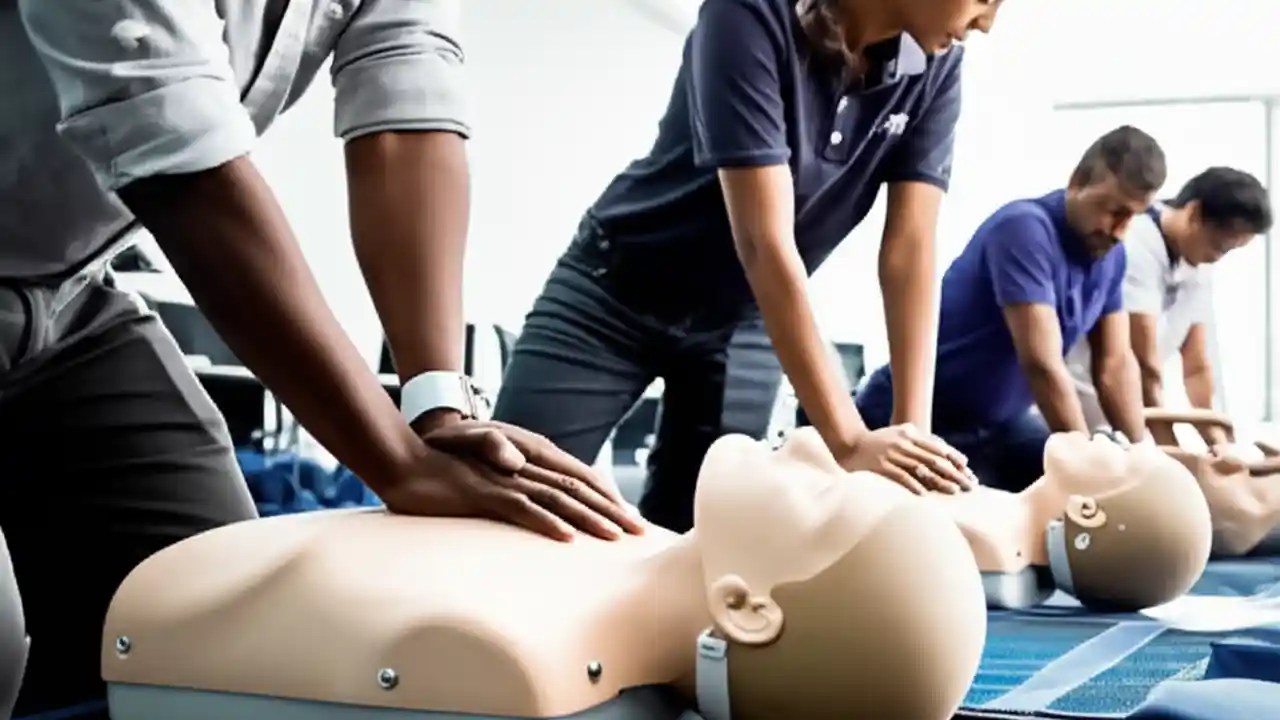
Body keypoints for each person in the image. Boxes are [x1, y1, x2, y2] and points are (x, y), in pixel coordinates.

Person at [1, 2, 639, 716]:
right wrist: (394, 460)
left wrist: (435, 409)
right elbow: (165, 130)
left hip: (65, 297)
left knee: (212, 628)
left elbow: (405, 101)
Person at [493, 0, 1007, 532]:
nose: (988, 22)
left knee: (703, 536)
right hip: (617, 291)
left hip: (745, 317)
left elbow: (910, 250)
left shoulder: (937, 64)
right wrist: (849, 441)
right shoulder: (749, 12)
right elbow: (765, 243)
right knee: (510, 495)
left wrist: (912, 438)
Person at [98, 429, 987, 720]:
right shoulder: (616, 534)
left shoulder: (509, 653)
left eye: (822, 502)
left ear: (746, 610)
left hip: (177, 598)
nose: (805, 445)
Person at [856, 126, 1163, 492]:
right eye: (1115, 211)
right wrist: (1088, 469)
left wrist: (1144, 463)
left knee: (1119, 499)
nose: (1120, 231)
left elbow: (1115, 365)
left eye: (1134, 218)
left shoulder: (1112, 257)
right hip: (925, 419)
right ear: (1078, 181)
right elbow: (1043, 365)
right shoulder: (1024, 229)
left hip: (1001, 428)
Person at [1065, 167, 1272, 445]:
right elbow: (1143, 364)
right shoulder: (1135, 242)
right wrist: (1171, 451)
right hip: (1083, 404)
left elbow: (1197, 366)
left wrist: (1221, 443)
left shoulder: (1197, 262)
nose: (1217, 258)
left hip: (1127, 414)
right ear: (1194, 213)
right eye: (1218, 247)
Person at [927, 431, 1211, 611]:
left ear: (1086, 512)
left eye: (1122, 453)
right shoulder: (987, 509)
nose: (1104, 436)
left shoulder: (980, 537)